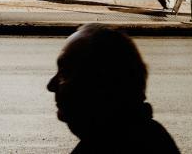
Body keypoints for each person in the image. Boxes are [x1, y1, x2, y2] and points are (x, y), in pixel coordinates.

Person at [47, 24, 180, 153]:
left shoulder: (116, 144)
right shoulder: (144, 136)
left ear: (101, 84)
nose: (50, 86)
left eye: (65, 71)